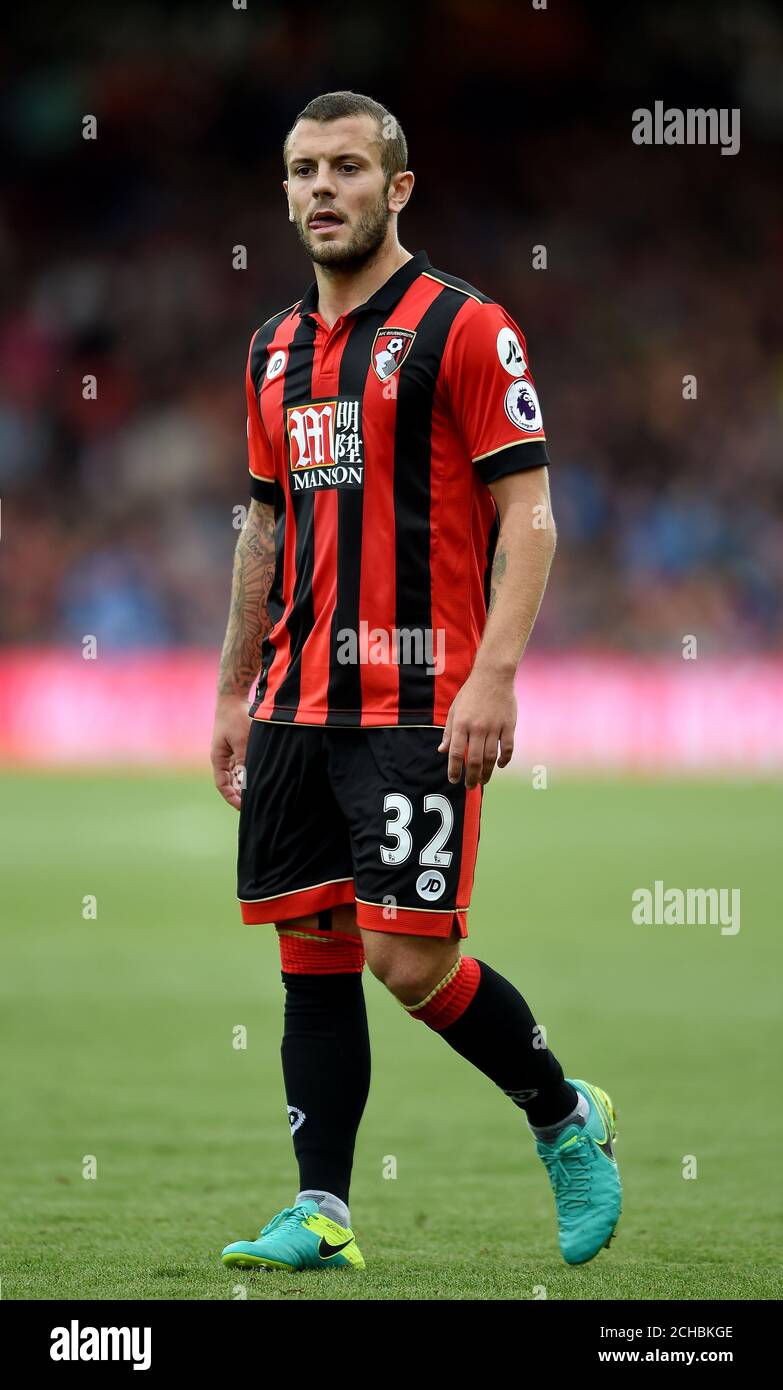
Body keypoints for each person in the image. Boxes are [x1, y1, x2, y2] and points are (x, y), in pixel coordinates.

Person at [210, 90, 621, 1274]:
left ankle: (562, 1113)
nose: (320, 188)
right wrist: (235, 686)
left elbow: (530, 515)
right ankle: (323, 1208)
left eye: (346, 167)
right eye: (301, 170)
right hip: (294, 702)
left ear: (397, 189)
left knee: (409, 957)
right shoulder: (272, 348)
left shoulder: (466, 328)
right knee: (313, 947)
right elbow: (264, 526)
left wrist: (494, 675)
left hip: (417, 700)